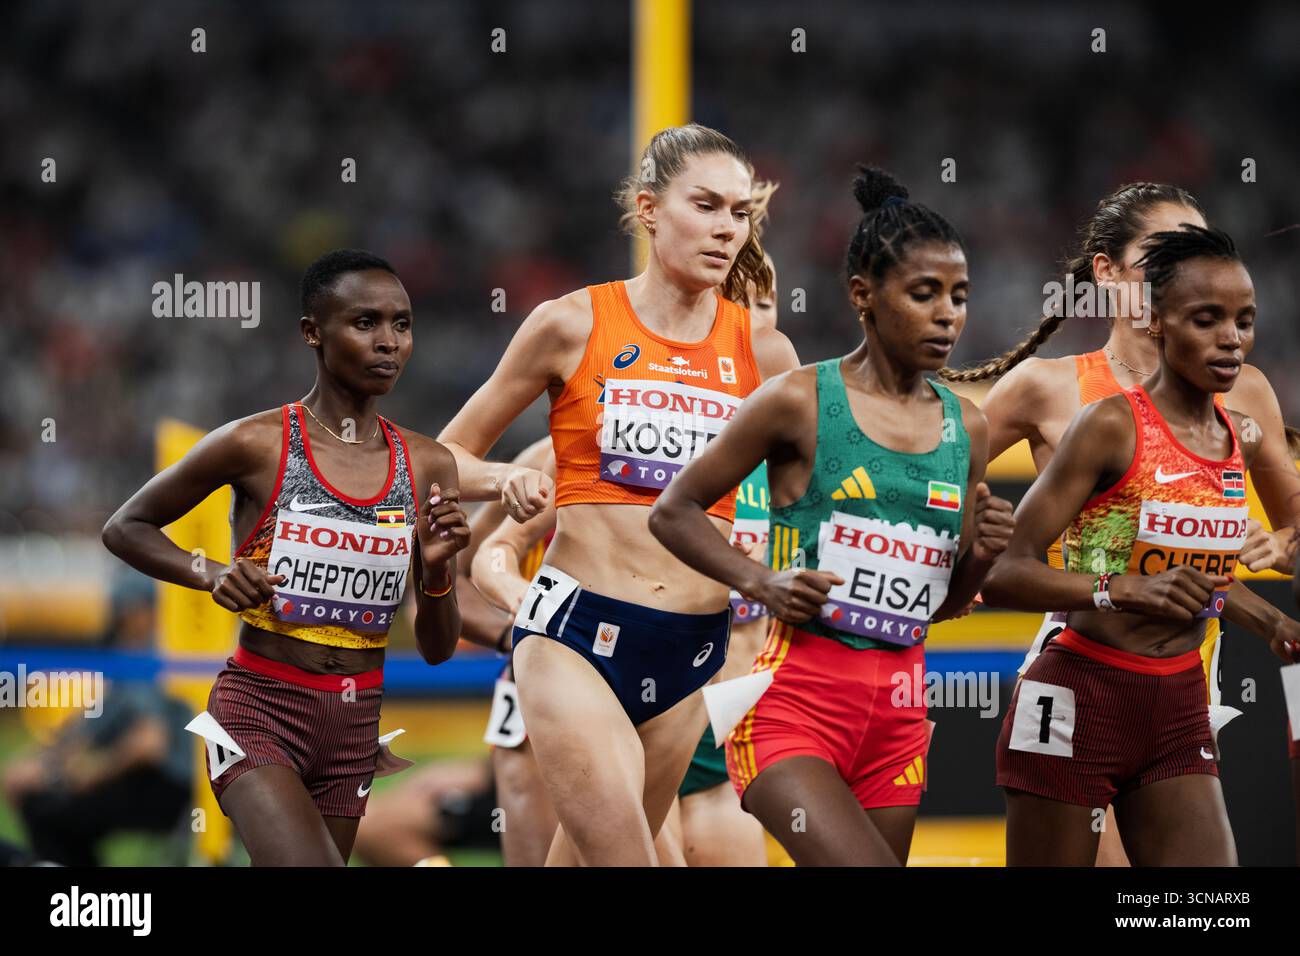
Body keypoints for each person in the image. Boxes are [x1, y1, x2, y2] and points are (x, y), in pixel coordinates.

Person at [438, 124, 799, 865]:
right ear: (649, 210)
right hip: (573, 633)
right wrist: (503, 478)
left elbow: (814, 497)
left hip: (690, 651)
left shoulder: (764, 351)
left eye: (740, 213)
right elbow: (445, 456)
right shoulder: (569, 323)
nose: (727, 228)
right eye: (706, 205)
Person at [650, 167, 1014, 866]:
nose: (948, 314)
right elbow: (674, 512)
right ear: (863, 296)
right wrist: (762, 583)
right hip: (792, 707)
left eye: (960, 297)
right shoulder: (798, 401)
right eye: (924, 293)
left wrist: (980, 559)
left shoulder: (968, 426)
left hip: (900, 720)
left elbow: (941, 608)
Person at [941, 183, 1300, 863]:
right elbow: (941, 486)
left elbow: (1292, 537)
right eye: (1163, 254)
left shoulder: (1244, 389)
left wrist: (1273, 546)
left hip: (1191, 679)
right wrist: (949, 579)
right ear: (1106, 273)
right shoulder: (1050, 389)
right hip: (1086, 670)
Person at [101, 249, 470, 865]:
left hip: (354, 725)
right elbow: (125, 526)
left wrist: (435, 573)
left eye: (401, 325)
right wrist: (210, 572)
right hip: (258, 710)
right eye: (364, 323)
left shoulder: (429, 464)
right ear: (312, 333)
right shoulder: (256, 443)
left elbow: (436, 648)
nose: (388, 343)